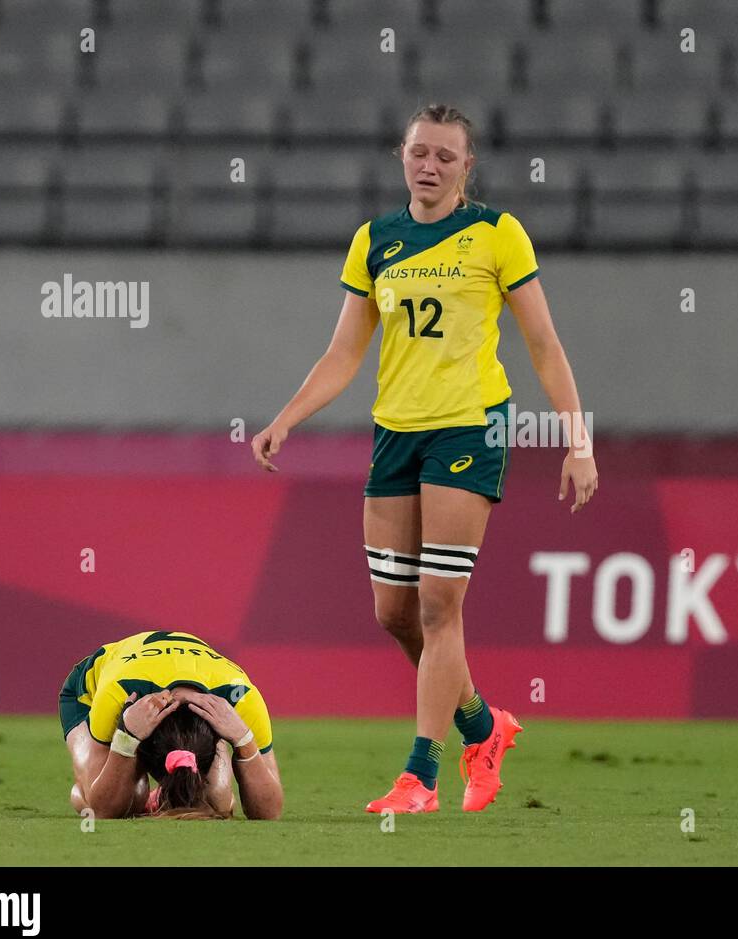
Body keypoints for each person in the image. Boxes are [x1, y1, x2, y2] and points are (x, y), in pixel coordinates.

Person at [251, 103, 598, 813]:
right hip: (395, 434)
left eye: (446, 155)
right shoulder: (375, 241)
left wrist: (577, 439)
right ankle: (484, 725)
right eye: (419, 152)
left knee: (440, 607)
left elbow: (543, 344)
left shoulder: (496, 234)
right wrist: (286, 417)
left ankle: (421, 777)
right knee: (393, 612)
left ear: (467, 166)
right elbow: (344, 352)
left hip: (468, 429)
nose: (430, 165)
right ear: (401, 157)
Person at [59, 629, 283, 819]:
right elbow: (103, 809)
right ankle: (82, 791)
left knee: (218, 802)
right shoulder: (118, 694)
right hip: (89, 693)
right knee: (128, 800)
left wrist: (243, 739)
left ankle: (168, 794)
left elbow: (269, 811)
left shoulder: (242, 699)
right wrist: (126, 739)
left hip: (194, 685)